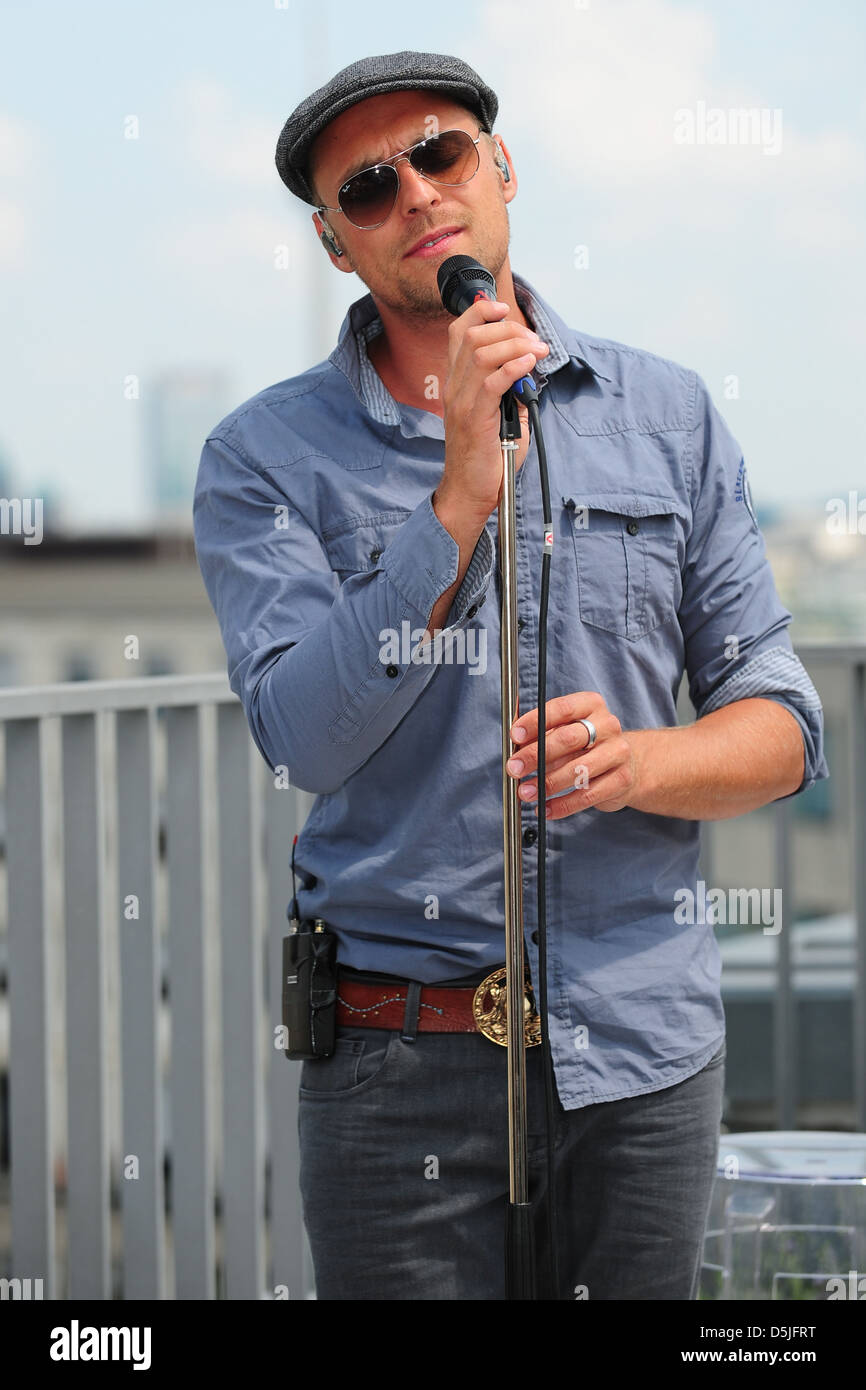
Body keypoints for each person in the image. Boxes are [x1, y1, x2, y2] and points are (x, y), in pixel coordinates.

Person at [193, 51, 829, 1301]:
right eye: (368, 188)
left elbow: (784, 724)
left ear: (500, 171)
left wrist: (643, 760)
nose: (417, 194)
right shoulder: (261, 456)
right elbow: (298, 740)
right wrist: (456, 500)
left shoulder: (668, 414)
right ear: (336, 245)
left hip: (639, 1054)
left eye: (440, 154)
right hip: (395, 1065)